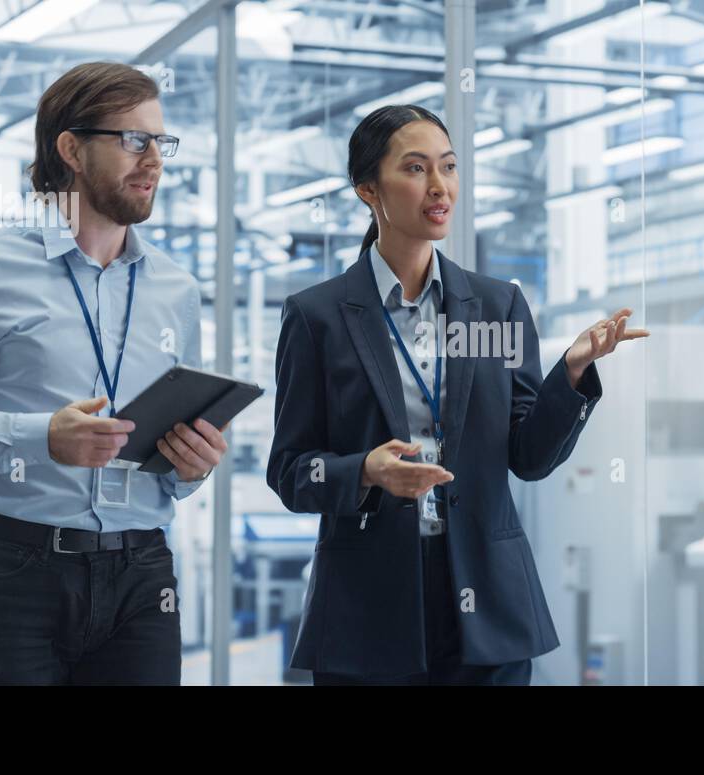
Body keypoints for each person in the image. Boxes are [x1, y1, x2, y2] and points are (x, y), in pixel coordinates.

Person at [266, 105, 648, 685]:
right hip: (370, 608)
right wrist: (365, 471)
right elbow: (291, 471)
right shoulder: (317, 317)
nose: (439, 186)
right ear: (369, 190)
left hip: (487, 604)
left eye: (448, 167)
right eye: (416, 169)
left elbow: (529, 457)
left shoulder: (498, 307)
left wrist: (569, 375)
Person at [0, 62, 227, 685]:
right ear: (70, 148)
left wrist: (193, 464)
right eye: (133, 139)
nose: (154, 158)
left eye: (161, 141)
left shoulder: (176, 289)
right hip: (14, 570)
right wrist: (39, 437)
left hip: (143, 570)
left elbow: (175, 456)